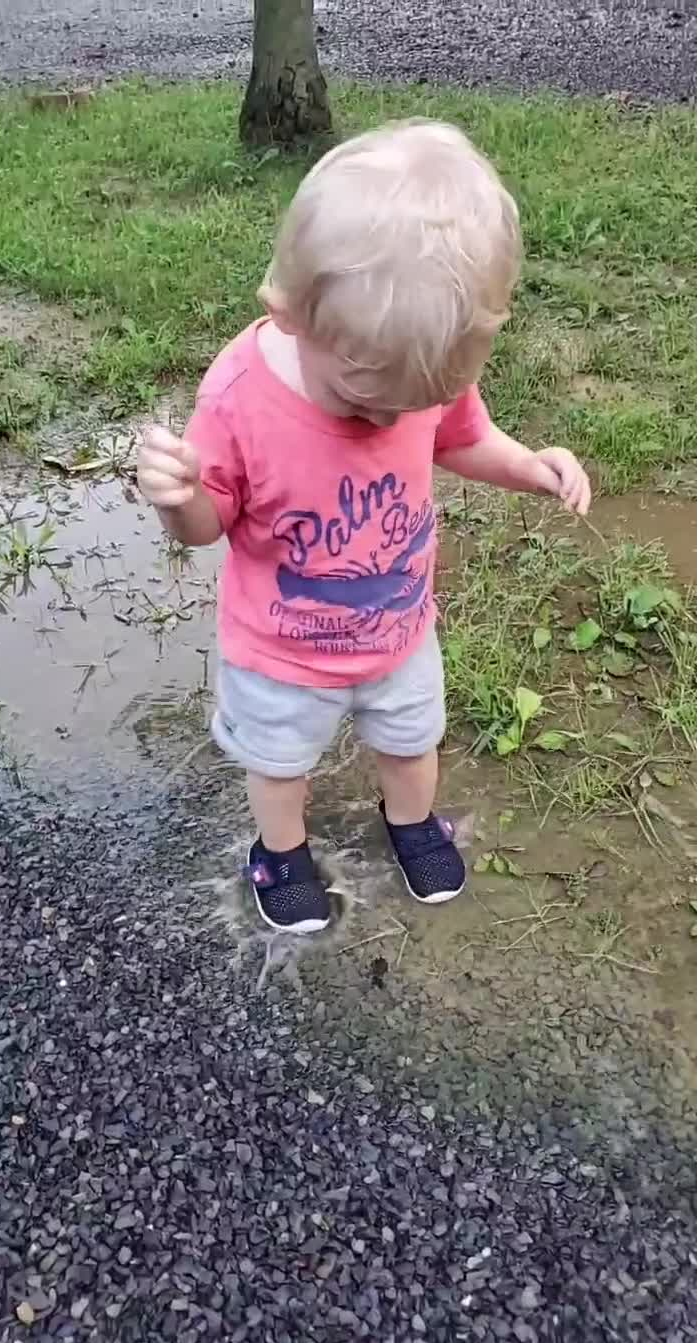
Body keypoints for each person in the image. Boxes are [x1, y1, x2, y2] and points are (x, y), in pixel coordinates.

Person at [137, 119, 591, 936]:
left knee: (414, 739)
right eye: (363, 399)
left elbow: (466, 439)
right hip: (281, 648)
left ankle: (412, 822)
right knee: (278, 765)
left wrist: (527, 463)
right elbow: (211, 525)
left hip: (398, 630)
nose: (389, 416)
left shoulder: (413, 367)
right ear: (288, 314)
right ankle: (281, 851)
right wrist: (180, 502)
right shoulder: (239, 397)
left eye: (410, 403)